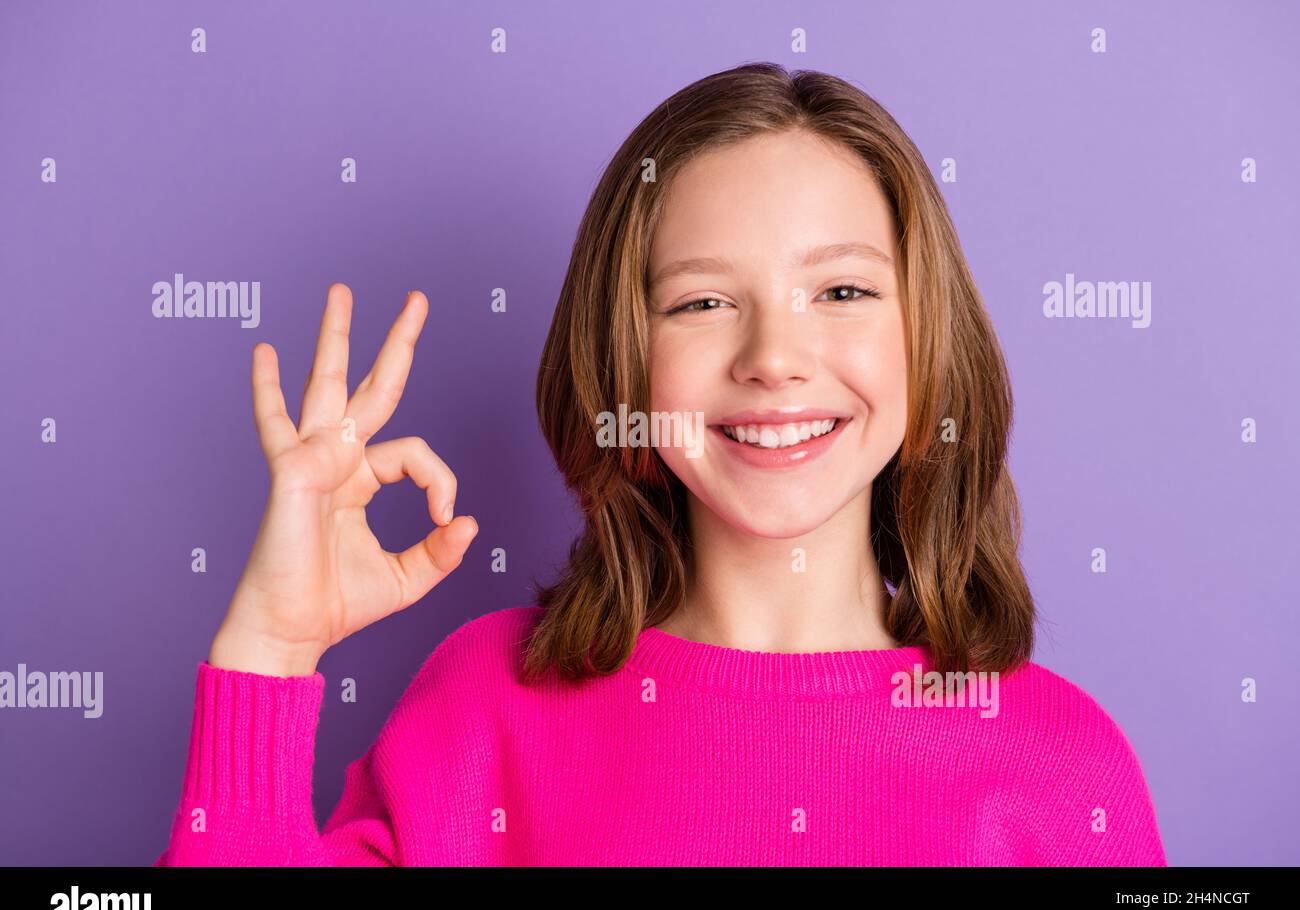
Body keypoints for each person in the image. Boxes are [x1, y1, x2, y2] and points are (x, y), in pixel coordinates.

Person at [154, 62, 1166, 866]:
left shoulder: (1062, 762)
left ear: (927, 340)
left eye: (843, 291)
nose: (773, 356)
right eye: (699, 301)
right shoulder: (483, 707)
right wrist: (271, 651)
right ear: (622, 357)